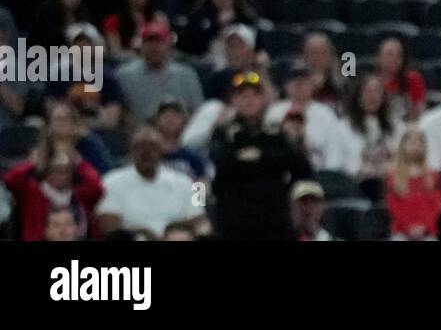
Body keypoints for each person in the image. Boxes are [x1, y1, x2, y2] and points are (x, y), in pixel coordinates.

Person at [210, 71, 312, 240]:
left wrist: (255, 157)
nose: (249, 100)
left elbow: (299, 167)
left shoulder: (277, 133)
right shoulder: (223, 133)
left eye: (255, 95)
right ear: (233, 100)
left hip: (273, 215)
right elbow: (224, 166)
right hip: (234, 217)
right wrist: (268, 160)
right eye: (243, 95)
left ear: (264, 100)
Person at [97, 127, 206, 240]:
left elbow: (198, 218)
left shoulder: (185, 181)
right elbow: (109, 226)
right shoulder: (111, 181)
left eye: (152, 147)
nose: (146, 152)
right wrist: (144, 233)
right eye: (140, 147)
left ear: (161, 151)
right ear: (131, 150)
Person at [3, 140, 103, 241]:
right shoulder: (32, 192)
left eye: (66, 171)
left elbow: (96, 186)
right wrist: (33, 162)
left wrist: (80, 162)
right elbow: (11, 179)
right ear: (46, 171)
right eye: (55, 170)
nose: (61, 175)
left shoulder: (80, 194)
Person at [114, 22, 206, 122]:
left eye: (159, 42)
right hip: (140, 132)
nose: (154, 48)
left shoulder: (186, 74)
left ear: (169, 45)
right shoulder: (124, 75)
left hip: (183, 131)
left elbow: (198, 111)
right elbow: (121, 114)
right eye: (149, 42)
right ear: (141, 46)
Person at [386, 128, 441, 240]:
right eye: (412, 143)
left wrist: (425, 226)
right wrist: (408, 226)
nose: (416, 146)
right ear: (403, 146)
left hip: (427, 230)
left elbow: (436, 204)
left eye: (420, 143)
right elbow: (394, 206)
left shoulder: (432, 176)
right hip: (401, 230)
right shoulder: (394, 175)